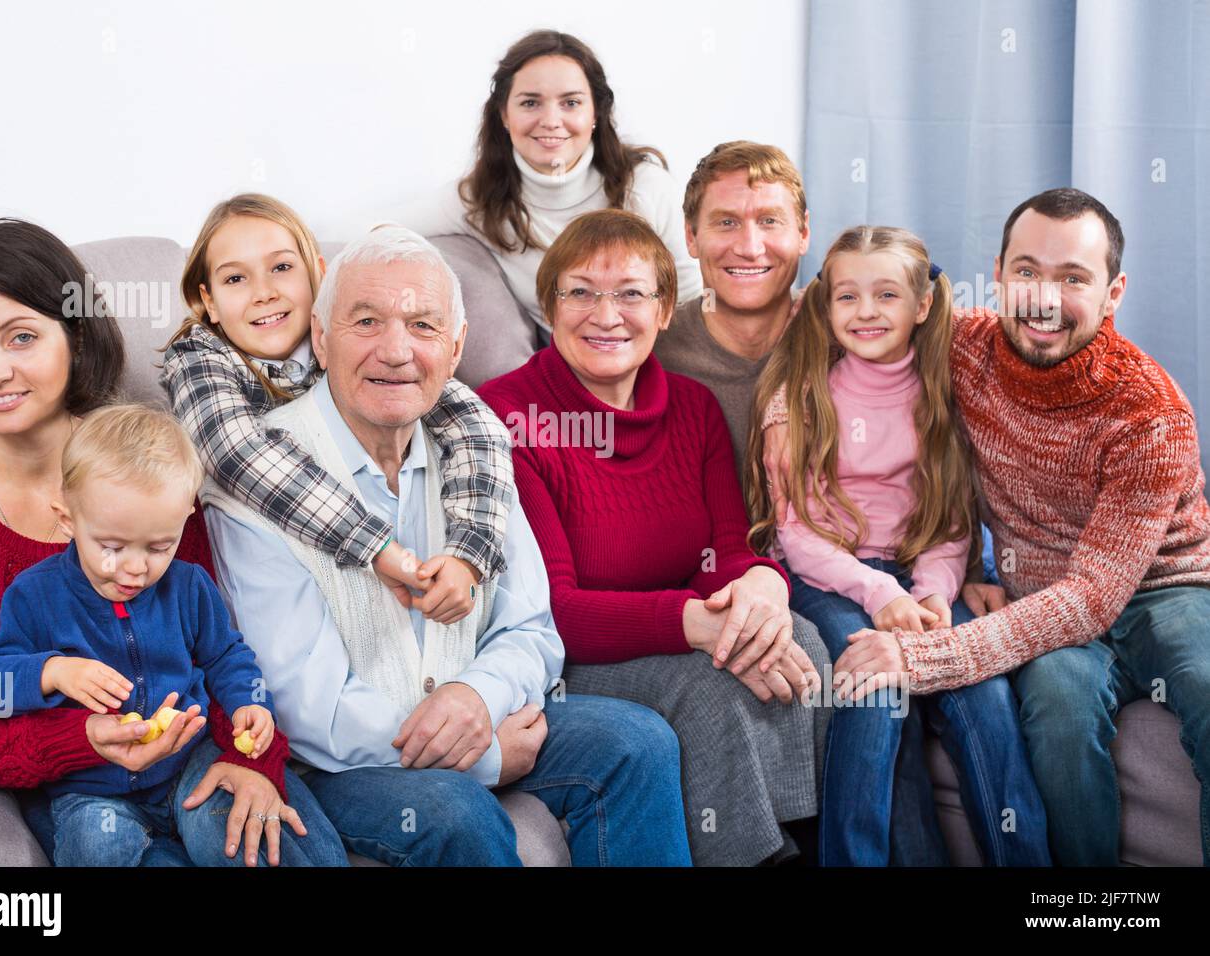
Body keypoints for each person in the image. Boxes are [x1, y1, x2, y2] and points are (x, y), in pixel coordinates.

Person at [203, 225, 693, 866]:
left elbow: (532, 626)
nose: (396, 350)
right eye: (367, 322)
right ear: (321, 338)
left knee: (637, 741)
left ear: (457, 345)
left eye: (424, 326)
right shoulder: (260, 477)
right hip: (339, 763)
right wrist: (484, 755)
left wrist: (479, 698)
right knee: (454, 810)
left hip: (477, 715)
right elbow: (304, 702)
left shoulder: (475, 451)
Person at [765, 188, 1210, 866]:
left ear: (1113, 291)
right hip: (1038, 594)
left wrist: (924, 651)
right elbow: (865, 307)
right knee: (1059, 710)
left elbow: (1094, 596)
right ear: (997, 272)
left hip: (1161, 589)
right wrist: (962, 574)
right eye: (1027, 271)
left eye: (1073, 278)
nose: (1042, 298)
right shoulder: (962, 349)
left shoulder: (1149, 414)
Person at [0, 218, 341, 866]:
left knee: (269, 844)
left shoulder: (150, 463)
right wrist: (77, 740)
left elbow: (223, 646)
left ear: (75, 337)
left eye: (20, 337)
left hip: (202, 753)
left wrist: (254, 759)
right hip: (82, 787)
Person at [478, 209, 828, 865]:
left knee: (801, 638)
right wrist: (698, 623)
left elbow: (721, 553)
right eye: (579, 291)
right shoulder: (510, 415)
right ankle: (757, 857)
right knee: (709, 689)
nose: (604, 314)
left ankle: (801, 841)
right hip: (565, 661)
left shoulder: (693, 407)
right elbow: (554, 610)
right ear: (549, 308)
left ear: (666, 309)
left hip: (672, 629)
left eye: (631, 293)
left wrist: (761, 586)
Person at [748, 225, 1049, 866]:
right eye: (847, 297)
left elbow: (950, 521)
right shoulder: (798, 397)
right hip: (828, 574)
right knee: (873, 690)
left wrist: (933, 598)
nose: (865, 312)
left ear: (922, 306)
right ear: (825, 308)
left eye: (886, 295)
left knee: (986, 700)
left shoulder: (944, 393)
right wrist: (879, 593)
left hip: (921, 572)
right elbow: (797, 535)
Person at [0, 404, 332, 866]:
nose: (136, 568)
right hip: (90, 784)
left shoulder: (189, 586)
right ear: (67, 520)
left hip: (187, 760)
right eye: (112, 547)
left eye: (159, 546)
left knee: (230, 836)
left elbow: (226, 657)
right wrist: (53, 671)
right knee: (97, 848)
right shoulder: (36, 594)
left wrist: (250, 704)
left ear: (185, 517)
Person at [162, 194, 514, 625]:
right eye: (235, 279)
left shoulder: (356, 347)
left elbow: (479, 430)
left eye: (282, 267)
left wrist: (468, 556)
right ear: (210, 301)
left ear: (320, 277)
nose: (264, 293)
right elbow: (237, 452)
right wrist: (377, 547)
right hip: (271, 554)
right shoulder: (199, 356)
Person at [367, 29, 702, 329]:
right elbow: (374, 229)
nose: (551, 121)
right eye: (530, 103)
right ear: (504, 114)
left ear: (596, 112)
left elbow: (690, 292)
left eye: (571, 103)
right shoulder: (480, 198)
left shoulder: (644, 186)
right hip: (557, 373)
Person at [653, 141, 810, 479]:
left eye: (769, 220)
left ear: (803, 232)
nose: (750, 248)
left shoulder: (847, 336)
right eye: (726, 223)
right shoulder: (651, 349)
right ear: (691, 238)